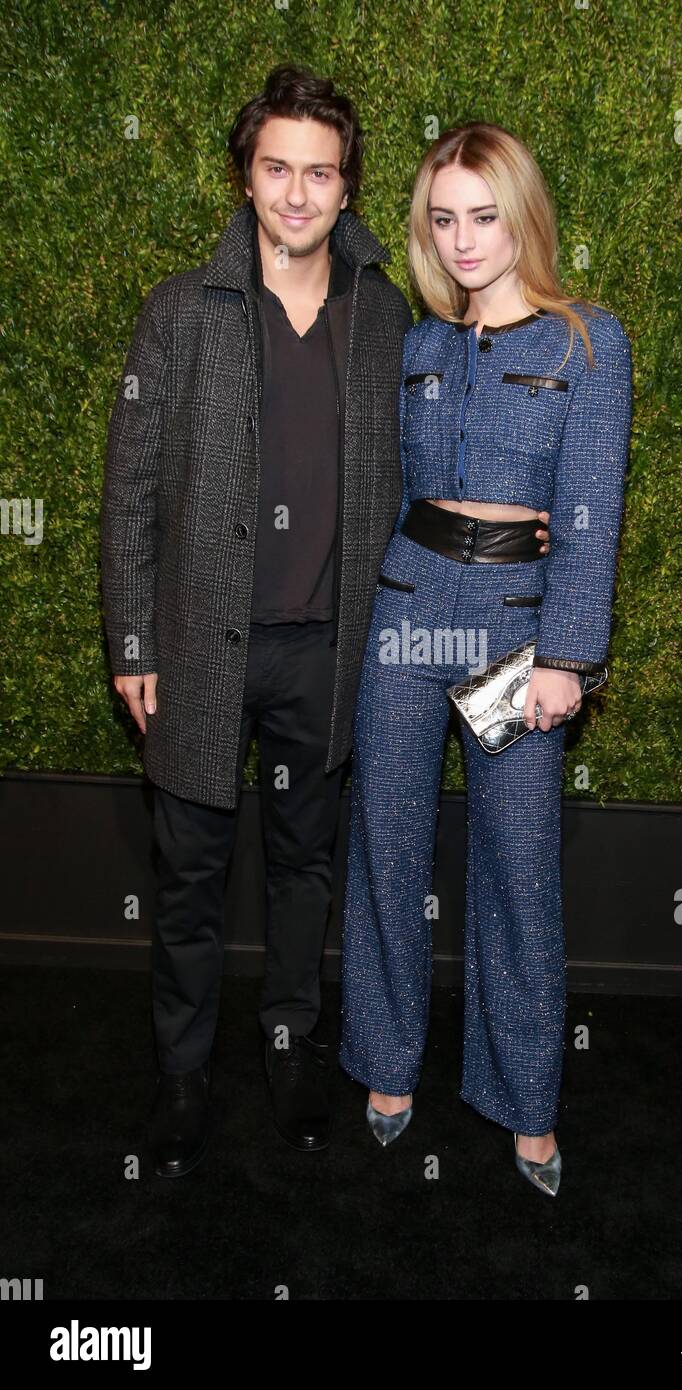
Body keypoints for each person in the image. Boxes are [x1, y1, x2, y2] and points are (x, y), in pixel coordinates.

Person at [101, 66, 534, 1178]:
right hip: (199, 648)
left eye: (321, 173)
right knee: (191, 881)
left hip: (332, 649)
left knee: (305, 872)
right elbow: (131, 488)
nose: (297, 194)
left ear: (346, 188)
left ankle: (290, 1056)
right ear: (247, 179)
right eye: (276, 168)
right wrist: (134, 646)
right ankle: (182, 1078)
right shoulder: (180, 307)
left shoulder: (384, 310)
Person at [339, 122, 633, 1196]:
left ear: (522, 216)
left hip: (519, 628)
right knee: (386, 846)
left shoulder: (586, 344)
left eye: (483, 215)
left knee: (517, 869)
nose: (462, 241)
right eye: (442, 219)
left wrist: (568, 655)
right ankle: (382, 1065)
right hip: (407, 612)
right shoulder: (415, 343)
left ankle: (524, 1101)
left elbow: (591, 521)